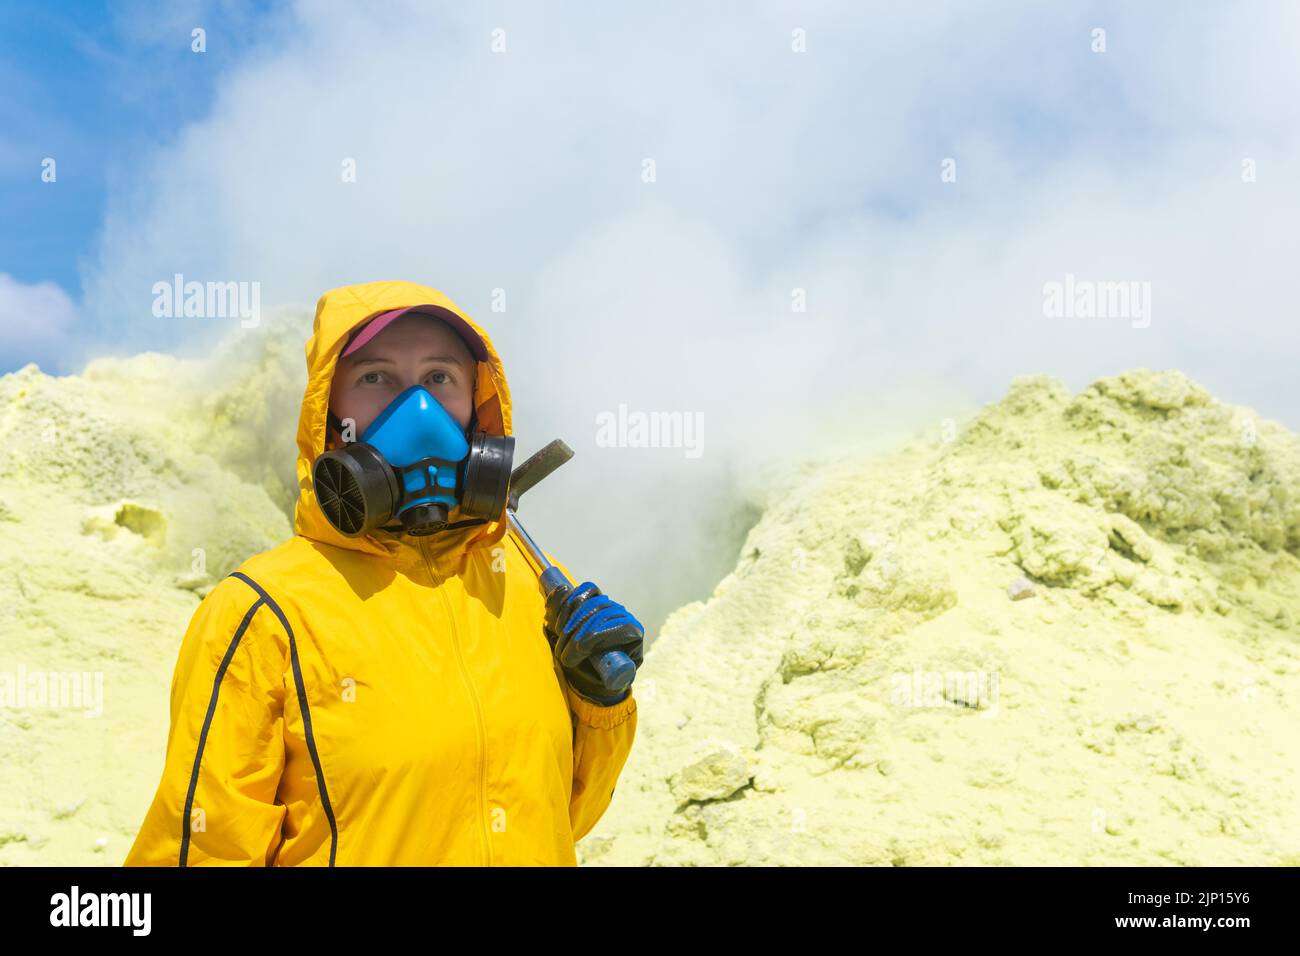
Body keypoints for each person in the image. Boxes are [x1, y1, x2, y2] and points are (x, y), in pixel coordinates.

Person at [123, 279, 643, 866]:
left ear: (478, 404)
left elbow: (562, 818)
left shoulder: (527, 581)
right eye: (375, 378)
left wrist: (601, 703)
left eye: (439, 378)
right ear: (328, 412)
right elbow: (204, 851)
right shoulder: (264, 612)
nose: (417, 410)